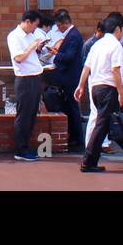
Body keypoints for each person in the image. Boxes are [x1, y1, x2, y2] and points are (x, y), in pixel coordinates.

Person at [75, 14, 123, 171]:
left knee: (112, 122)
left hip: (96, 88)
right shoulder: (115, 46)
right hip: (108, 89)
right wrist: (121, 93)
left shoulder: (97, 45)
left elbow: (86, 67)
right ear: (118, 29)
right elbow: (115, 70)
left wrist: (80, 86)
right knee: (102, 125)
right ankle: (88, 162)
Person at [7, 9, 49, 161]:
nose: (35, 29)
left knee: (31, 115)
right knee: (24, 115)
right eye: (34, 25)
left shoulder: (31, 35)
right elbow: (19, 58)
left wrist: (38, 47)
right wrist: (32, 46)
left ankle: (25, 146)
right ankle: (20, 149)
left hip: (35, 76)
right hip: (24, 79)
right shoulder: (14, 36)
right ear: (27, 22)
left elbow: (31, 54)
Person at [47, 9, 85, 153]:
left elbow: (69, 57)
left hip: (70, 78)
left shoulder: (73, 36)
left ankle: (78, 139)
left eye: (58, 25)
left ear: (63, 24)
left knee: (72, 108)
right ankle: (74, 137)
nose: (58, 28)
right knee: (69, 108)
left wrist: (56, 54)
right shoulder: (71, 35)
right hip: (67, 77)